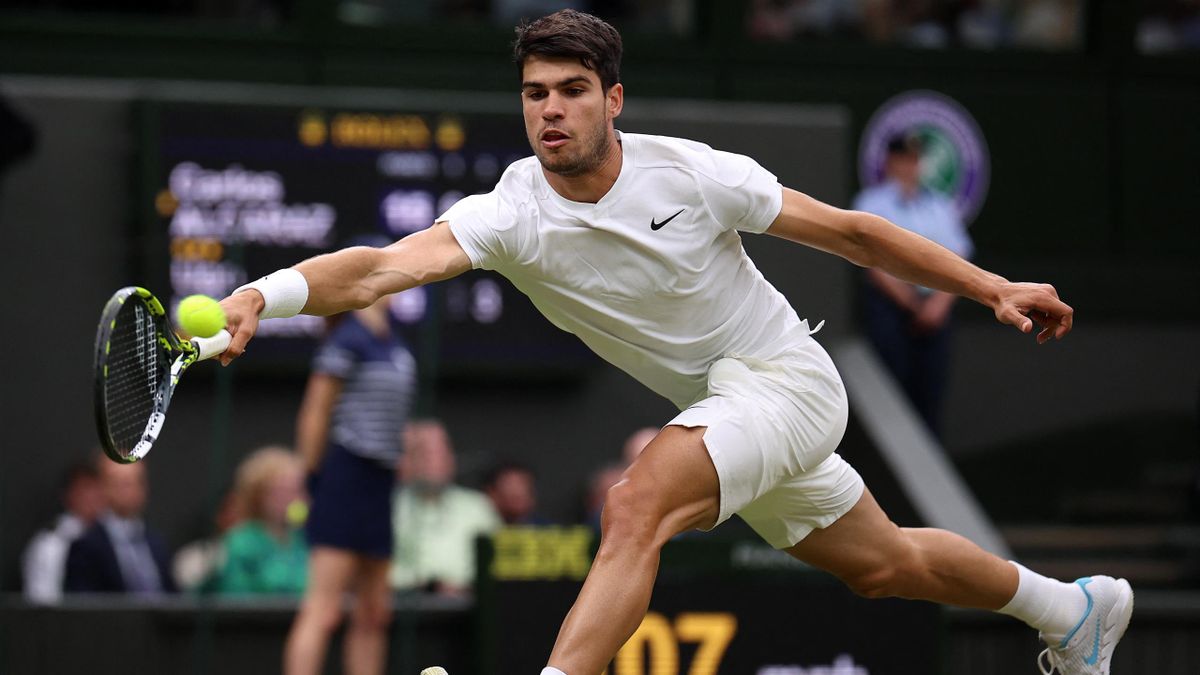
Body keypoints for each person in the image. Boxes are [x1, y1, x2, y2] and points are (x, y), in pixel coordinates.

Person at [214, 10, 1129, 675]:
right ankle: (1073, 609)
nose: (551, 111)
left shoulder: (697, 174)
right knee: (886, 566)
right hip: (729, 410)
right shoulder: (509, 212)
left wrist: (992, 286)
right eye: (535, 95)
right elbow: (377, 268)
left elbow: (853, 232)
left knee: (635, 502)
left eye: (573, 91)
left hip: (784, 382)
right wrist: (265, 291)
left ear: (613, 98)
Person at [283, 283, 417, 675]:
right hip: (345, 475)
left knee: (375, 613)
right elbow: (315, 411)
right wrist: (313, 478)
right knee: (323, 609)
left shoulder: (392, 341)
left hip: (381, 481)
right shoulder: (346, 339)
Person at [853, 132, 974, 434]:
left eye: (915, 159)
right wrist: (911, 304)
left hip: (936, 312)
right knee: (892, 394)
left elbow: (960, 256)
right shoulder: (872, 202)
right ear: (890, 162)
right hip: (892, 311)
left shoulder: (940, 205)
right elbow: (872, 262)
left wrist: (936, 305)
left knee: (930, 396)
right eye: (904, 159)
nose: (910, 166)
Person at [390, 419, 502, 596]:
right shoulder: (386, 507)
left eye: (442, 452)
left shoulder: (477, 506)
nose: (435, 461)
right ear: (405, 459)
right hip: (397, 606)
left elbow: (495, 563)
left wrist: (459, 585)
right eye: (424, 453)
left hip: (465, 608)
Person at [64, 458, 176, 595]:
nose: (130, 490)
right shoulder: (86, 546)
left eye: (137, 481)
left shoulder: (157, 543)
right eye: (121, 482)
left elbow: (174, 598)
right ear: (102, 487)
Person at [216, 446, 309, 595]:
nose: (294, 498)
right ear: (258, 496)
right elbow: (237, 597)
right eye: (283, 490)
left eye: (299, 489)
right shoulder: (241, 542)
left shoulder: (307, 540)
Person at [22, 460, 105, 603]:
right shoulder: (49, 544)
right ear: (68, 495)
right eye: (85, 489)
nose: (92, 497)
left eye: (97, 489)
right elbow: (41, 603)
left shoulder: (114, 541)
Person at [484, 460, 549, 525]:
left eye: (524, 484)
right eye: (510, 485)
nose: (520, 492)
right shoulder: (480, 526)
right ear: (492, 492)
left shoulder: (547, 528)